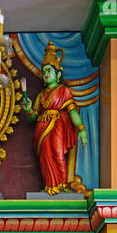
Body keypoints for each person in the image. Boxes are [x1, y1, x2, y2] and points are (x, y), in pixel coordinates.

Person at [21, 43, 86, 194]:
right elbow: (34, 117)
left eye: (49, 70)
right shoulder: (40, 96)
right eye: (44, 72)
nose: (46, 74)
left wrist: (81, 128)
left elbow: (73, 112)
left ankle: (61, 185)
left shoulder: (63, 91)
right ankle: (50, 186)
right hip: (42, 129)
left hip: (57, 126)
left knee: (57, 153)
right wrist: (29, 109)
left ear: (58, 74)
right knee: (45, 157)